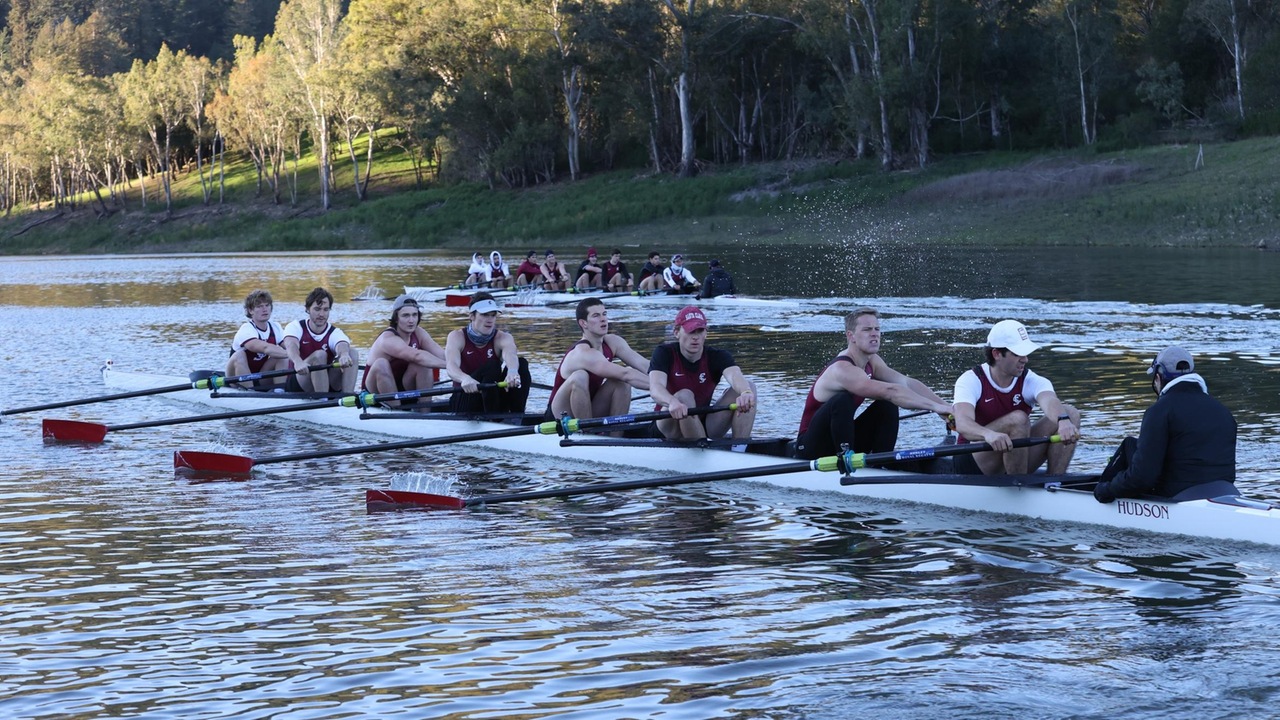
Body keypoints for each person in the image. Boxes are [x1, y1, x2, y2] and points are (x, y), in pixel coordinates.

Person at [794, 308, 954, 460]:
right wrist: (934, 407)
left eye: (877, 329)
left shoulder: (872, 361)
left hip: (841, 438)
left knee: (887, 405)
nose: (874, 334)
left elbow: (906, 383)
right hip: (810, 447)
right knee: (842, 400)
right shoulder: (842, 369)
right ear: (851, 336)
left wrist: (946, 408)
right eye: (867, 330)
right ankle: (846, 459)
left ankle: (882, 463)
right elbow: (890, 390)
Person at [1093, 346, 1237, 503]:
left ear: (1159, 375)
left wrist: (1108, 490)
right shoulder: (1223, 411)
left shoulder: (1160, 411)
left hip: (1178, 496)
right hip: (1225, 491)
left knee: (1129, 445)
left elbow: (1142, 477)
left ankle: (1100, 491)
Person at [952, 320, 1081, 475]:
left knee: (1070, 413)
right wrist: (988, 434)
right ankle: (1018, 487)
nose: (1025, 359)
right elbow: (962, 423)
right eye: (1018, 353)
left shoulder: (1031, 380)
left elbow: (1049, 400)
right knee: (1018, 420)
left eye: (1025, 353)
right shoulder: (971, 380)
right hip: (973, 459)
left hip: (1014, 453)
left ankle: (1053, 482)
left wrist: (1063, 421)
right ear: (997, 354)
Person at [649, 306, 756, 441]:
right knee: (684, 395)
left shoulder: (717, 356)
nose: (696, 337)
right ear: (676, 332)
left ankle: (739, 450)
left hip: (703, 423)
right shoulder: (664, 353)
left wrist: (745, 392)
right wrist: (672, 402)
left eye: (700, 331)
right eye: (690, 331)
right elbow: (655, 388)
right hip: (668, 425)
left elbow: (735, 376)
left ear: (706, 333)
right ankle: (702, 451)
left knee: (749, 387)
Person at [548, 297, 650, 421]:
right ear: (583, 323)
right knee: (580, 376)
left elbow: (644, 365)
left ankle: (615, 436)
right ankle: (587, 433)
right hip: (560, 414)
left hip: (589, 406)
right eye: (596, 315)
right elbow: (626, 374)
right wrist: (661, 388)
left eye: (604, 314)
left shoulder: (613, 342)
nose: (603, 319)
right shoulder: (582, 352)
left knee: (620, 382)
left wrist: (669, 379)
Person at [445, 292, 531, 414]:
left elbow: (510, 355)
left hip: (492, 398)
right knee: (492, 366)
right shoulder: (457, 337)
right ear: (472, 316)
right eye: (485, 315)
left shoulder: (503, 337)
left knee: (521, 364)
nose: (490, 320)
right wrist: (465, 378)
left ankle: (517, 416)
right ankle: (493, 419)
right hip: (465, 397)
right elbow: (451, 367)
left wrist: (512, 372)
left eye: (493, 315)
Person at [362, 295, 447, 404]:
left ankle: (425, 411)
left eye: (414, 315)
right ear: (396, 318)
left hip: (402, 386)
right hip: (376, 392)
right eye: (405, 315)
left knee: (423, 365)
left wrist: (461, 366)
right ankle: (395, 409)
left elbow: (442, 355)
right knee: (381, 363)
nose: (411, 320)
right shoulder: (388, 338)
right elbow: (416, 355)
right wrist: (449, 366)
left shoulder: (419, 332)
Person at [282, 287, 359, 394]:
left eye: (326, 309)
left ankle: (347, 397)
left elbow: (341, 344)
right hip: (300, 381)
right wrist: (298, 361)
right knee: (320, 355)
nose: (322, 314)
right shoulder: (295, 326)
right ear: (308, 309)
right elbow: (291, 345)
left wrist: (344, 354)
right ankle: (323, 401)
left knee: (353, 353)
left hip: (327, 381)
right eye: (317, 309)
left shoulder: (335, 332)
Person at [226, 289, 289, 389]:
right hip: (235, 377)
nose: (264, 309)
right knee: (240, 355)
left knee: (281, 355)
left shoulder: (275, 327)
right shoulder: (246, 329)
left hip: (259, 375)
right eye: (259, 306)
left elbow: (290, 347)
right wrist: (292, 355)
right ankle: (249, 392)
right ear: (251, 310)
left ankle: (280, 391)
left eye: (267, 305)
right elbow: (265, 348)